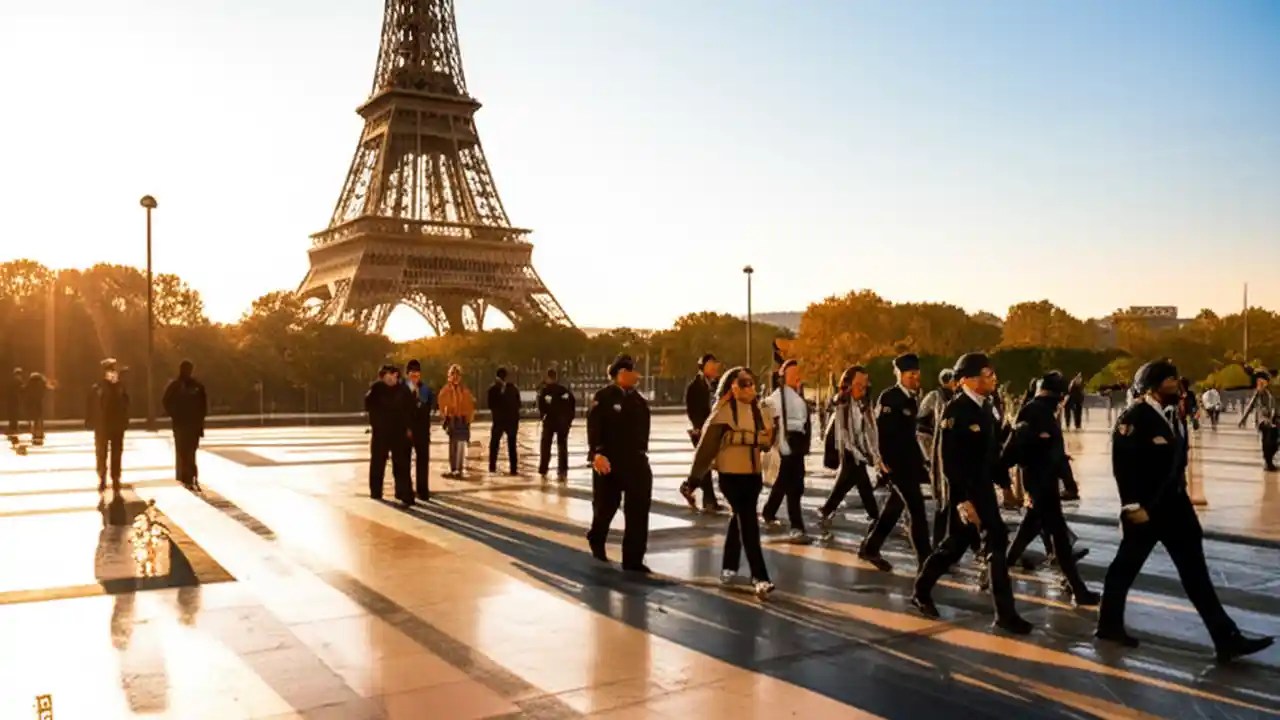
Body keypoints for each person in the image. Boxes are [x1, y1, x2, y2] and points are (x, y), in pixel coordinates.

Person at [1098, 359, 1274, 661]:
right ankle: (1108, 625)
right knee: (1123, 570)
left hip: (1176, 509)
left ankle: (1225, 638)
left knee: (1196, 575)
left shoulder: (1174, 415)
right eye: (1169, 380)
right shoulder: (1134, 417)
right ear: (1152, 387)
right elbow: (1123, 467)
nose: (1177, 384)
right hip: (1146, 511)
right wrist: (1131, 506)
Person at [913, 353, 1033, 635]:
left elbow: (991, 454)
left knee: (961, 545)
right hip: (965, 494)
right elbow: (949, 461)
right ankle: (1004, 613)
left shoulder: (986, 407)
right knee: (985, 543)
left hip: (983, 490)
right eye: (987, 374)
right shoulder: (956, 411)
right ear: (967, 379)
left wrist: (1004, 486)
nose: (993, 379)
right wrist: (963, 501)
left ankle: (922, 590)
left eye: (992, 374)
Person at [1002, 371, 1099, 606]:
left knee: (1032, 531)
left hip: (1046, 484)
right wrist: (1010, 482)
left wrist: (1069, 483)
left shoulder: (1046, 412)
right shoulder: (1033, 411)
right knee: (1058, 540)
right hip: (1038, 484)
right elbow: (1013, 450)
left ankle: (999, 569)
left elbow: (1055, 453)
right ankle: (1078, 588)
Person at [687, 367, 775, 598]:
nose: (750, 388)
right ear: (731, 387)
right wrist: (693, 480)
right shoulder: (722, 412)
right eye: (744, 383)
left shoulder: (760, 409)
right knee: (748, 521)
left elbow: (767, 441)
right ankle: (761, 577)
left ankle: (728, 565)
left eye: (752, 382)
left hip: (753, 475)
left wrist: (744, 438)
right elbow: (705, 449)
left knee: (740, 518)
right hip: (730, 476)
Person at [858, 353, 932, 572]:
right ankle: (926, 560)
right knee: (916, 509)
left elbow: (912, 436)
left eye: (917, 374)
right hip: (896, 465)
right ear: (899, 374)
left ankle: (871, 547)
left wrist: (922, 463)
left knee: (894, 508)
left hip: (910, 464)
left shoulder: (913, 398)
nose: (915, 378)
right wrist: (883, 463)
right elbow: (881, 433)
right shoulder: (890, 397)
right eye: (910, 374)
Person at [586, 355, 653, 572]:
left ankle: (633, 559)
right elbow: (594, 426)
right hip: (609, 461)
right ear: (620, 373)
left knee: (638, 510)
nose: (636, 375)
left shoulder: (639, 401)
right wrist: (596, 453)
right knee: (606, 506)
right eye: (632, 371)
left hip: (636, 461)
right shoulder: (604, 397)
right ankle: (597, 537)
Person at [817, 365, 881, 534]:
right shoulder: (842, 403)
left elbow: (869, 429)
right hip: (848, 449)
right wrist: (862, 453)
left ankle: (826, 510)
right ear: (848, 384)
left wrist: (873, 452)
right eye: (859, 384)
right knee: (860, 481)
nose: (863, 388)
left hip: (858, 450)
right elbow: (843, 433)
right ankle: (875, 516)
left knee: (851, 483)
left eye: (865, 384)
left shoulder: (864, 404)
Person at [762, 359, 813, 544]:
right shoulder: (777, 398)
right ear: (783, 377)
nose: (798, 377)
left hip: (795, 446)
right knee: (793, 488)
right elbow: (776, 424)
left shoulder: (795, 396)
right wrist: (782, 447)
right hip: (788, 447)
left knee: (786, 485)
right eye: (793, 374)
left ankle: (770, 512)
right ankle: (796, 526)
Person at [365, 364, 414, 506]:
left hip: (399, 432)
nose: (393, 378)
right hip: (381, 432)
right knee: (378, 462)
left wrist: (409, 428)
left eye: (395, 375)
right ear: (383, 376)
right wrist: (376, 424)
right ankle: (376, 491)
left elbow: (410, 410)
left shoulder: (403, 390)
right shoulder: (376, 389)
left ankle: (404, 493)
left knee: (401, 464)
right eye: (389, 375)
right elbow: (369, 406)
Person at [680, 353, 725, 513]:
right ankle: (709, 500)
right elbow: (691, 408)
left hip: (714, 428)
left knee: (705, 465)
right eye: (711, 365)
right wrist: (698, 426)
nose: (715, 368)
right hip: (701, 430)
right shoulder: (695, 386)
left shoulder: (716, 385)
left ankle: (689, 487)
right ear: (703, 366)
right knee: (704, 465)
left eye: (716, 365)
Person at [162, 360, 208, 491]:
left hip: (191, 424)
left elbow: (203, 407)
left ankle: (190, 475)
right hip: (182, 424)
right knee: (184, 451)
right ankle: (187, 475)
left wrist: (200, 422)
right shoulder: (176, 386)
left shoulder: (196, 386)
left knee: (190, 451)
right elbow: (166, 401)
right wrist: (175, 414)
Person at [86, 359, 130, 493]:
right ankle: (106, 477)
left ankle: (112, 477)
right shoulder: (100, 387)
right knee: (104, 452)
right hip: (106, 425)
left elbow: (126, 404)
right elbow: (92, 405)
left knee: (109, 452)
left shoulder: (117, 387)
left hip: (110, 425)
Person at [404, 360, 436, 501]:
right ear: (407, 374)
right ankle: (406, 489)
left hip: (422, 429)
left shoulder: (425, 389)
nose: (415, 375)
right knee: (405, 461)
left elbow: (430, 406)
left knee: (423, 460)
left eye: (417, 373)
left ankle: (422, 489)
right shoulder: (402, 389)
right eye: (412, 372)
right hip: (407, 429)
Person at [536, 368, 575, 481]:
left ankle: (543, 468)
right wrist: (569, 420)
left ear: (548, 378)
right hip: (562, 422)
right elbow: (571, 405)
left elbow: (541, 406)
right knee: (562, 446)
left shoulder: (544, 391)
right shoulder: (564, 391)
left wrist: (543, 416)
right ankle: (562, 469)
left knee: (545, 446)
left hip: (549, 422)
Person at [438, 364, 476, 478]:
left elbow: (470, 406)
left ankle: (459, 469)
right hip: (452, 420)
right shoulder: (445, 390)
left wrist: (469, 420)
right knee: (453, 445)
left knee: (460, 445)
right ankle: (453, 468)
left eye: (457, 374)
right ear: (449, 376)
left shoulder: (464, 390)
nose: (455, 377)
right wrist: (445, 417)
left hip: (462, 420)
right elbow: (442, 404)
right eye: (452, 374)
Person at [1239, 369, 1278, 471]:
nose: (1260, 383)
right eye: (1258, 382)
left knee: (1274, 442)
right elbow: (1251, 405)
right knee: (1267, 441)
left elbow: (1273, 406)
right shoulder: (1258, 393)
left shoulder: (1273, 391)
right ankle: (1268, 462)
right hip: (1263, 421)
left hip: (1275, 420)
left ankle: (1269, 460)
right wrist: (1243, 419)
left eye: (1262, 381)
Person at [918, 369, 957, 471]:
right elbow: (921, 421)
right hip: (932, 439)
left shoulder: (956, 397)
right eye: (954, 379)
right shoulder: (934, 396)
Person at [487, 368, 521, 475]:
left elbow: (490, 405)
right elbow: (518, 404)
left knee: (494, 444)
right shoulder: (513, 388)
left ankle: (492, 466)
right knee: (512, 444)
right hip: (511, 420)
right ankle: (513, 468)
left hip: (499, 420)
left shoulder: (493, 389)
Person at [25, 371, 49, 446]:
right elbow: (44, 389)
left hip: (32, 401)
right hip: (38, 401)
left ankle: (35, 429)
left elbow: (26, 389)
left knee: (34, 415)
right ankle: (39, 429)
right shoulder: (41, 382)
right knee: (39, 415)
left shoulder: (31, 383)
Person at [5, 367, 23, 444]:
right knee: (14, 413)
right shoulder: (18, 380)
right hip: (15, 399)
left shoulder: (12, 381)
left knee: (12, 414)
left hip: (11, 399)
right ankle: (14, 427)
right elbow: (21, 389)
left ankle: (12, 427)